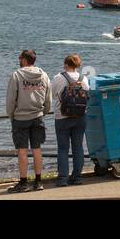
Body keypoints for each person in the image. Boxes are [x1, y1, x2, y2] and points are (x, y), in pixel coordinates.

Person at [5, 49, 52, 193]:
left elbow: (11, 99)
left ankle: (24, 182)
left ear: (24, 60)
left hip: (21, 118)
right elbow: (48, 99)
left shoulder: (17, 75)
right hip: (38, 116)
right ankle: (38, 182)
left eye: (20, 58)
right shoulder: (44, 75)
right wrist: (43, 112)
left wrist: (11, 114)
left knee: (22, 150)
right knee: (37, 149)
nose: (19, 60)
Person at [50, 54, 88, 187]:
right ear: (77, 65)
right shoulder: (84, 79)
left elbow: (52, 94)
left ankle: (63, 179)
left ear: (66, 64)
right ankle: (77, 177)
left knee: (63, 149)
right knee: (78, 147)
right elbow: (87, 95)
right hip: (80, 117)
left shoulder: (59, 78)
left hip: (62, 117)